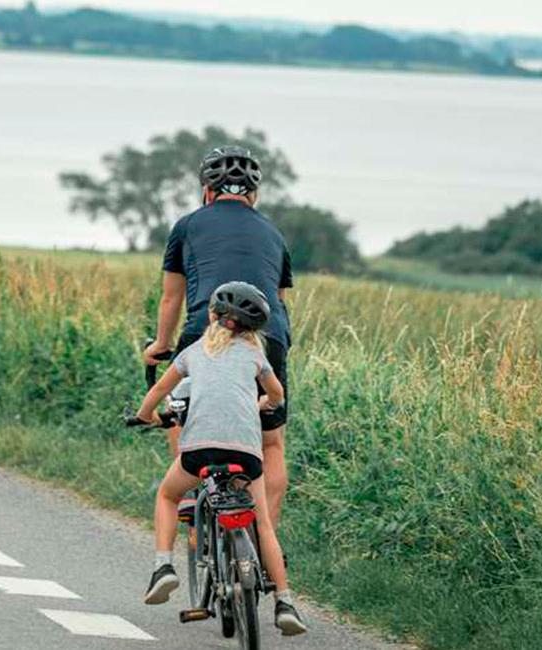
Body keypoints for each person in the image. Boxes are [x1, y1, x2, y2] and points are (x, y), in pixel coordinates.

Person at [136, 282, 308, 636]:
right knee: (262, 522)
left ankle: (163, 567)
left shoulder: (193, 352)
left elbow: (159, 391)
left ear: (212, 315)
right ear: (254, 329)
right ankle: (285, 603)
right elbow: (277, 394)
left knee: (168, 495)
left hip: (199, 450)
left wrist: (144, 416)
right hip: (246, 453)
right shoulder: (256, 356)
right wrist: (261, 404)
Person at [143, 146, 297, 529]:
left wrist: (161, 345)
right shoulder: (274, 235)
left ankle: (194, 494)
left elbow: (171, 297)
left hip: (204, 331)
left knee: (182, 412)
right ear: (253, 195)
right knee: (271, 444)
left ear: (206, 191)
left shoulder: (188, 225)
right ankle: (265, 540)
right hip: (267, 338)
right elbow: (279, 304)